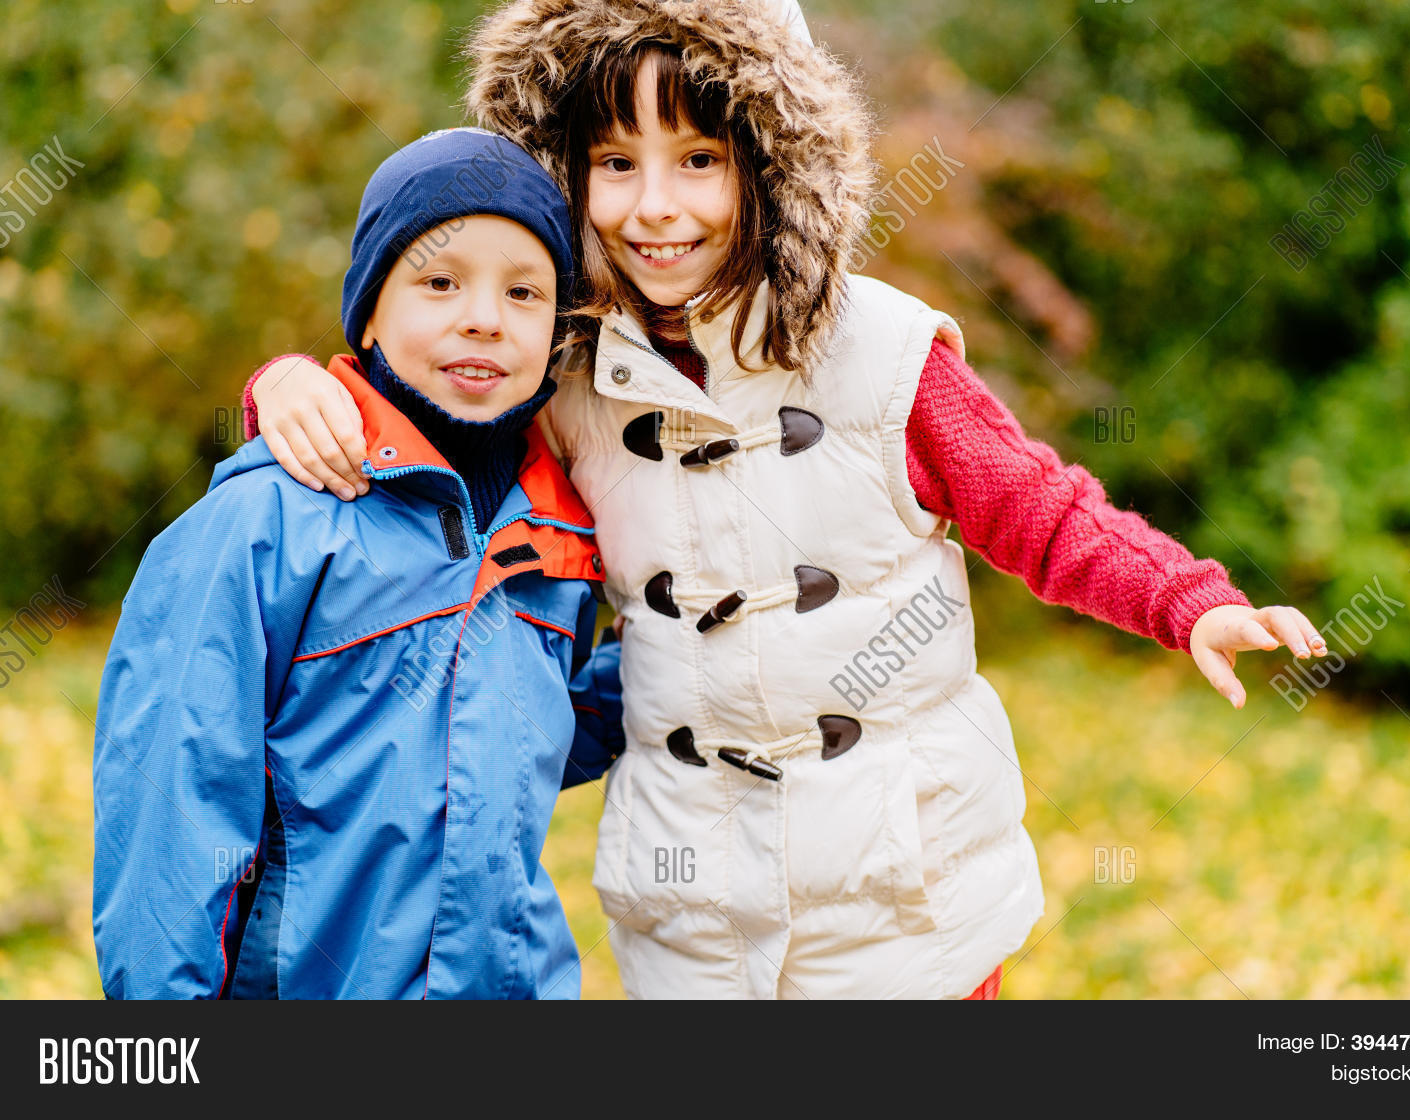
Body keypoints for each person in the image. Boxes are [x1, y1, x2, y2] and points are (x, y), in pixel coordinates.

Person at [237, 0, 1328, 999]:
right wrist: (288, 386)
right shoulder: (567, 376)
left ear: (772, 163)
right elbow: (421, 435)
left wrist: (1188, 599)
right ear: (565, 176)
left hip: (907, 907)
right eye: (615, 162)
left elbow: (1039, 508)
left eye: (699, 158)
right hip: (696, 909)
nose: (655, 207)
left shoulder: (882, 357)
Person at [92, 127, 623, 1000]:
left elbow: (523, 743)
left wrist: (668, 675)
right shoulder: (266, 524)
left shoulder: (564, 540)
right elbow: (170, 819)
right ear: (371, 308)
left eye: (524, 292)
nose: (485, 316)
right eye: (440, 281)